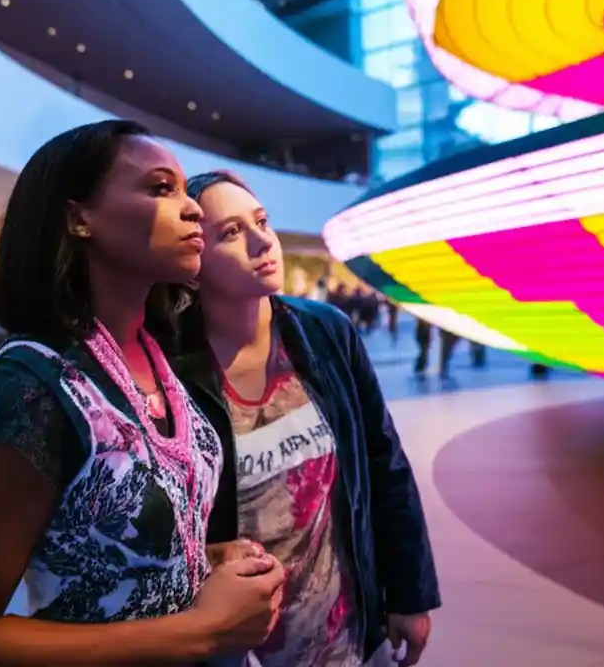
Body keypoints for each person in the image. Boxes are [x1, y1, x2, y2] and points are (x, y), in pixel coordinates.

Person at [0, 121, 286, 666]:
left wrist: (207, 559)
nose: (192, 210)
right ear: (79, 219)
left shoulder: (154, 353)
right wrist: (204, 630)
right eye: (160, 188)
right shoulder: (33, 386)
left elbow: (108, 555)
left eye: (185, 191)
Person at [169, 171, 440, 667]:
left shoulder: (324, 331)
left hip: (350, 633)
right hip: (240, 644)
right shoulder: (170, 366)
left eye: (261, 221)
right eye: (231, 232)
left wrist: (409, 592)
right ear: (193, 262)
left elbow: (384, 463)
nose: (261, 242)